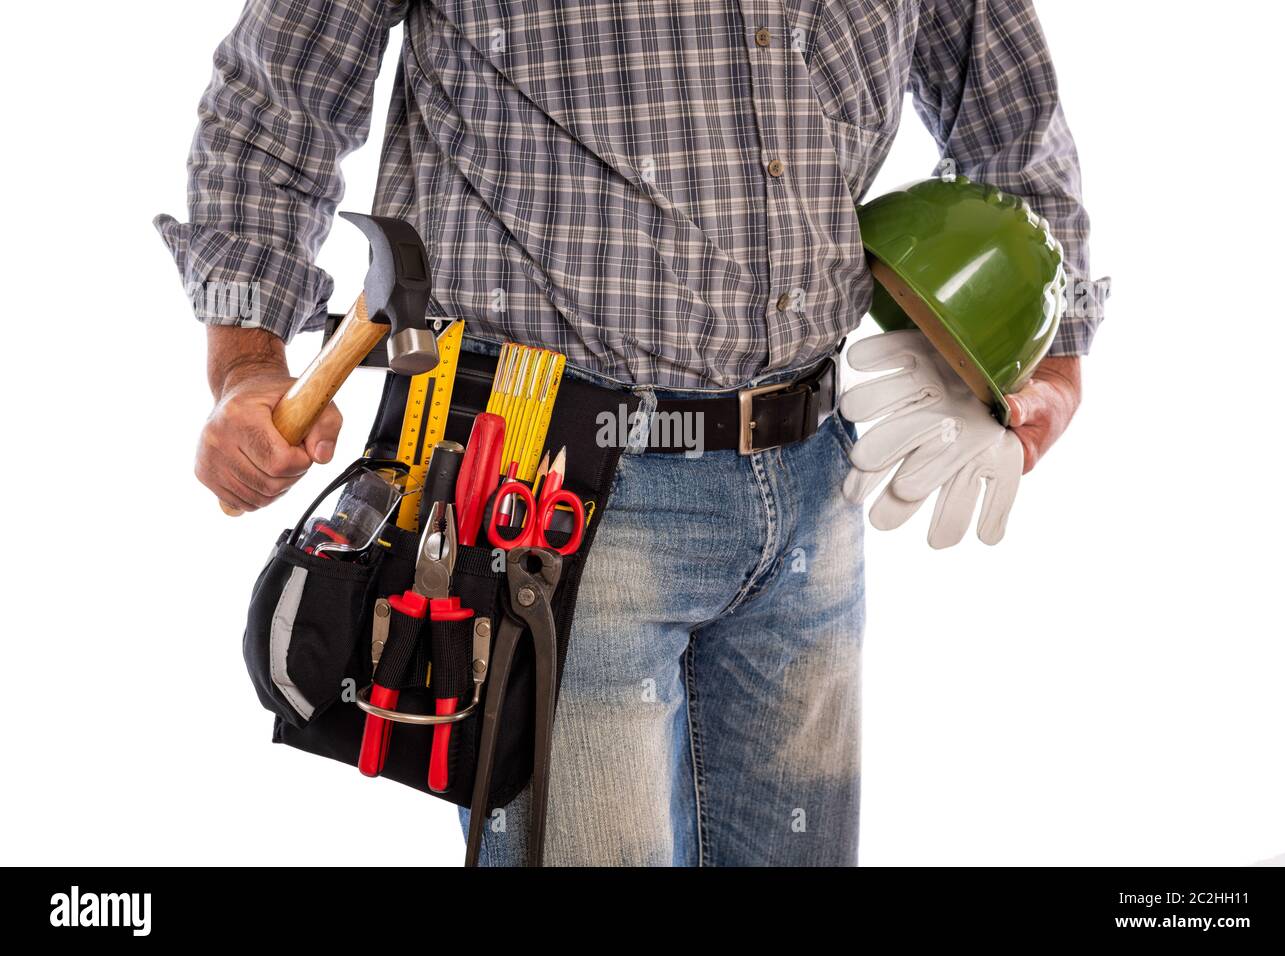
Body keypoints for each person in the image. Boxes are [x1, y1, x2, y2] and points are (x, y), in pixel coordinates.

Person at [156, 1, 1098, 866]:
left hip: (821, 478)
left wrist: (1044, 367)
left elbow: (1007, 108)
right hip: (555, 493)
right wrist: (247, 365)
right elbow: (281, 94)